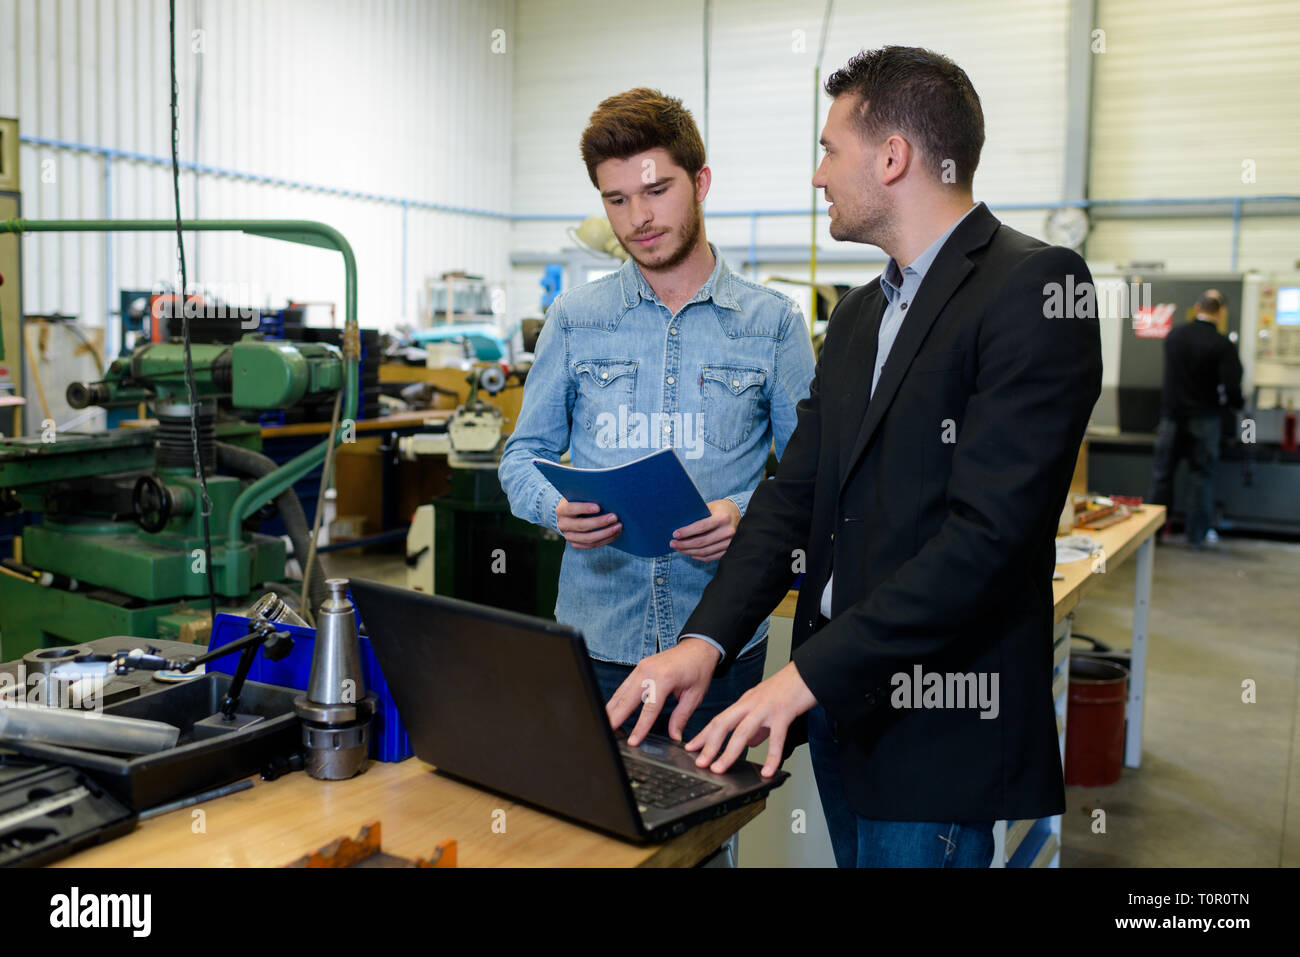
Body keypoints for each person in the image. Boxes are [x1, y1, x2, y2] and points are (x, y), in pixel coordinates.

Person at [606, 46, 1103, 868]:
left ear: (894, 156)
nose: (817, 176)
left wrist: (802, 679)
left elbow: (986, 543)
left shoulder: (1034, 287)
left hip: (935, 726)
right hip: (839, 703)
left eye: (829, 150)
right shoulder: (863, 313)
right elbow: (792, 497)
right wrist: (706, 642)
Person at [498, 88, 815, 741]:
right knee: (591, 829)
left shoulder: (773, 324)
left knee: (705, 832)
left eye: (656, 190)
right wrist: (552, 507)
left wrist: (742, 511)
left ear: (700, 182)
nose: (637, 217)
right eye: (616, 200)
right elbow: (520, 456)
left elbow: (816, 475)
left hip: (718, 643)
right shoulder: (576, 319)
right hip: (595, 642)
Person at [1148, 289, 1243, 548]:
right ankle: (1196, 535)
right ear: (1221, 312)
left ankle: (1153, 532)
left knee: (1162, 474)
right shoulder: (1221, 344)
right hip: (1204, 418)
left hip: (1171, 417)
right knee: (1201, 475)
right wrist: (1238, 407)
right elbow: (1232, 387)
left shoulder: (1174, 336)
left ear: (1196, 307)